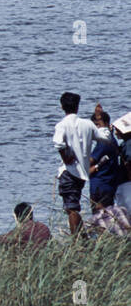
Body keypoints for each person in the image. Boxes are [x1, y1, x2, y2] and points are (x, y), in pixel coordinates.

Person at [53, 92, 97, 236]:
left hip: (69, 171)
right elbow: (101, 137)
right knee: (73, 206)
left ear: (62, 107)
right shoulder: (87, 124)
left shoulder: (62, 125)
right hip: (81, 173)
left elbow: (58, 144)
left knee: (71, 209)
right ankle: (80, 236)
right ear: (77, 107)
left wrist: (65, 157)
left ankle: (76, 240)